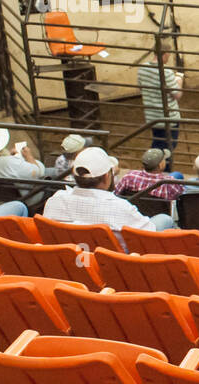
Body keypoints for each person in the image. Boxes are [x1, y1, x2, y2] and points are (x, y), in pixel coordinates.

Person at [42, 147, 175, 243]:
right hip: (114, 263)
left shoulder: (55, 200)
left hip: (69, 260)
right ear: (107, 176)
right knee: (164, 219)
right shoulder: (120, 208)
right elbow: (150, 233)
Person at [137, 49, 182, 154]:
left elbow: (140, 88)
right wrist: (179, 80)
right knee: (167, 148)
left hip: (152, 116)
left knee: (158, 142)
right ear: (165, 54)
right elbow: (177, 94)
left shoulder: (142, 68)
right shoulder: (166, 72)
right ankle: (160, 168)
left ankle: (153, 165)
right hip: (168, 117)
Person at [115, 147, 184, 201]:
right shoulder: (169, 182)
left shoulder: (130, 176)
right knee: (177, 175)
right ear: (161, 165)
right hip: (158, 215)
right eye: (164, 159)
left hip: (133, 211)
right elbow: (180, 197)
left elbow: (116, 193)